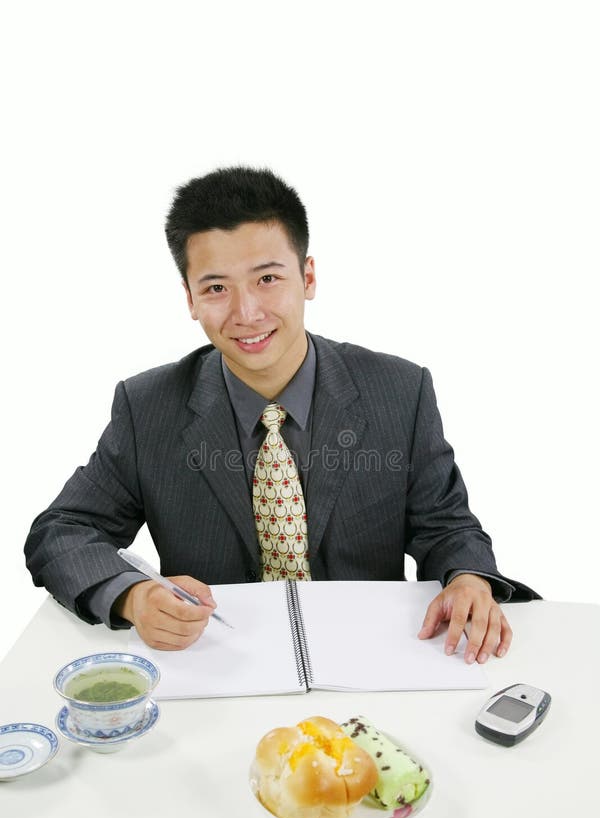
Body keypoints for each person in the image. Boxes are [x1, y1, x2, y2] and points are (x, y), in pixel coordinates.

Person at [24, 166, 539, 661]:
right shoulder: (148, 407)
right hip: (219, 662)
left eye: (267, 278)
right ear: (190, 298)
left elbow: (446, 527)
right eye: (216, 288)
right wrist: (130, 596)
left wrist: (466, 577)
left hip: (374, 657)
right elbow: (62, 530)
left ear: (307, 275)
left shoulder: (400, 390)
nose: (246, 313)